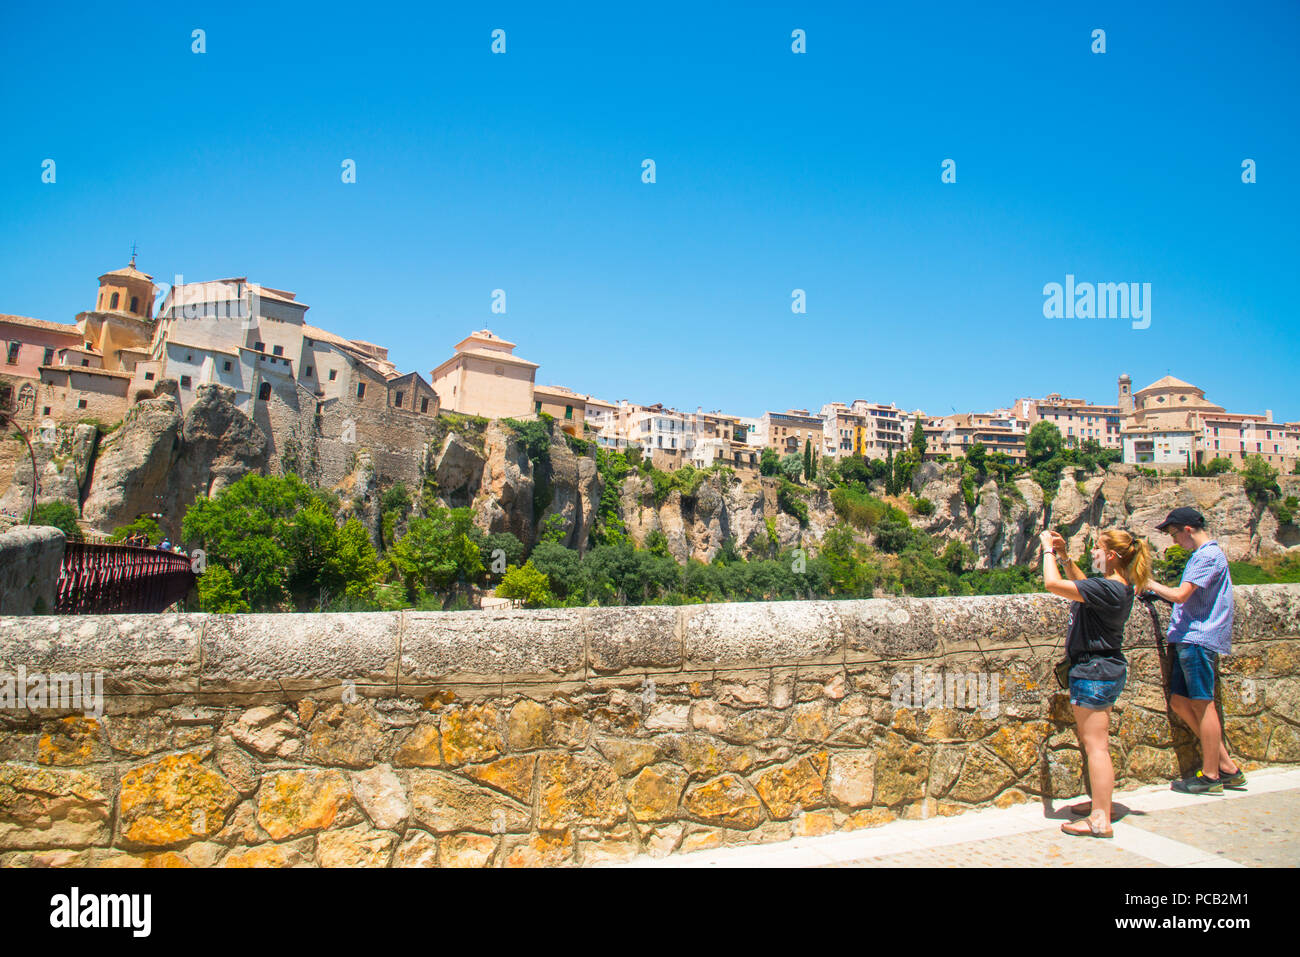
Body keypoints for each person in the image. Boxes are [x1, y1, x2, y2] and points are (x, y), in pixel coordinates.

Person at [1041, 527, 1151, 838]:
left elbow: (1053, 584)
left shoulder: (1111, 590)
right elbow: (1085, 585)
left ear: (1112, 556)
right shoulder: (1117, 587)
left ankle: (1100, 818)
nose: (1094, 553)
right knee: (1097, 745)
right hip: (1103, 668)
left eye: (1098, 549)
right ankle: (1101, 803)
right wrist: (1065, 556)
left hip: (1094, 671)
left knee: (1096, 747)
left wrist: (1048, 550)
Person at [1146, 507, 1243, 794]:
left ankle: (1211, 776)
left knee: (1203, 705)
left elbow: (1181, 595)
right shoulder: (1203, 556)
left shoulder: (1206, 556)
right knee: (1179, 702)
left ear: (1187, 529)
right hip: (1189, 636)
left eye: (1175, 534)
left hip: (1198, 638)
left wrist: (1147, 582)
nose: (1174, 541)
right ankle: (1227, 766)